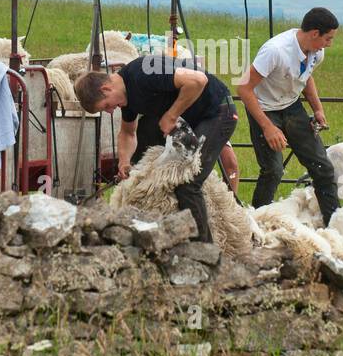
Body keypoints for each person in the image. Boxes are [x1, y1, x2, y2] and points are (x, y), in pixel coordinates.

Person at [73, 55, 238, 244]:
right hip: (192, 119)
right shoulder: (127, 97)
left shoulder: (143, 73)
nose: (111, 111)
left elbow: (198, 81)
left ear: (106, 89)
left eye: (107, 106)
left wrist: (171, 115)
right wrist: (125, 162)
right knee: (147, 130)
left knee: (187, 183)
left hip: (217, 111)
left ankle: (204, 250)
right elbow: (127, 133)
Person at [237, 7, 341, 225]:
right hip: (264, 108)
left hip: (292, 106)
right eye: (328, 38)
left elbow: (306, 77)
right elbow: (244, 88)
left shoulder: (317, 52)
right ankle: (256, 224)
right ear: (315, 34)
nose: (329, 44)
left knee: (323, 167)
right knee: (273, 170)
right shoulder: (275, 51)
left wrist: (318, 109)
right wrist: (267, 127)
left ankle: (335, 225)